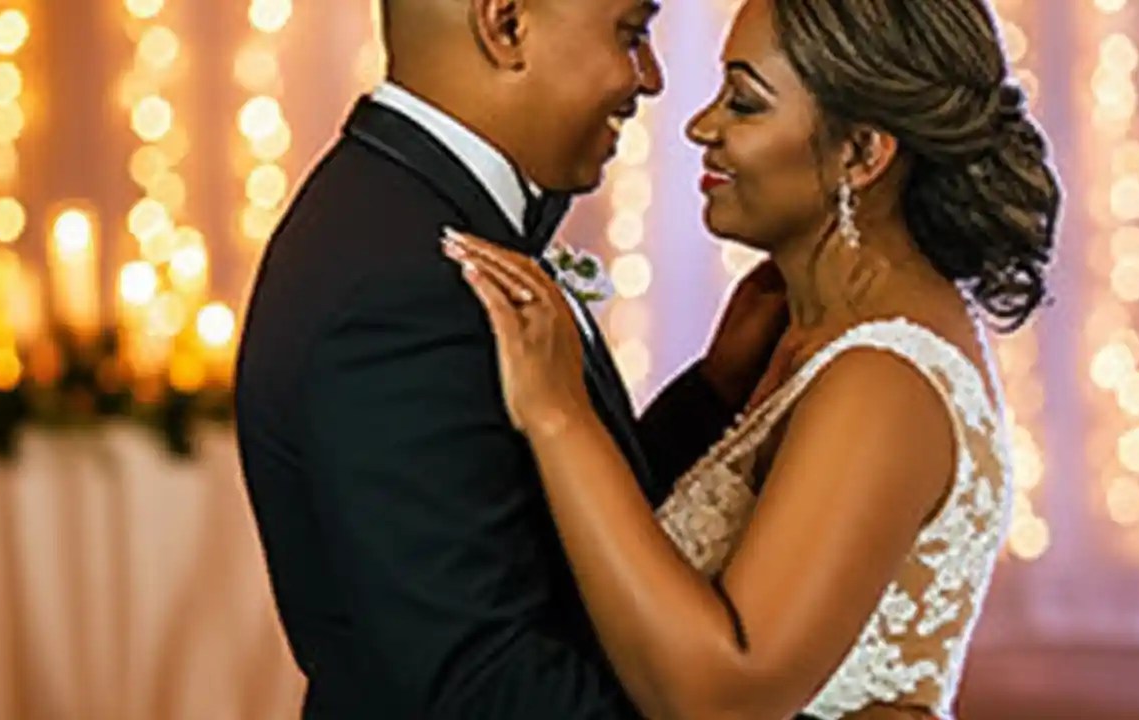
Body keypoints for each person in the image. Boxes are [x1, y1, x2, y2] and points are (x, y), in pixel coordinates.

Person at [443, 0, 1062, 718]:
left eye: (744, 102)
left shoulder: (883, 384)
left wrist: (559, 416)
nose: (701, 126)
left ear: (862, 153)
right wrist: (712, 390)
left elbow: (724, 696)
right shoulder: (809, 339)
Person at [234, 0, 788, 717]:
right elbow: (482, 683)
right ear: (505, 24)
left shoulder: (412, 215)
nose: (649, 79)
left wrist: (714, 390)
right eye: (632, 33)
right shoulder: (401, 287)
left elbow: (537, 535)